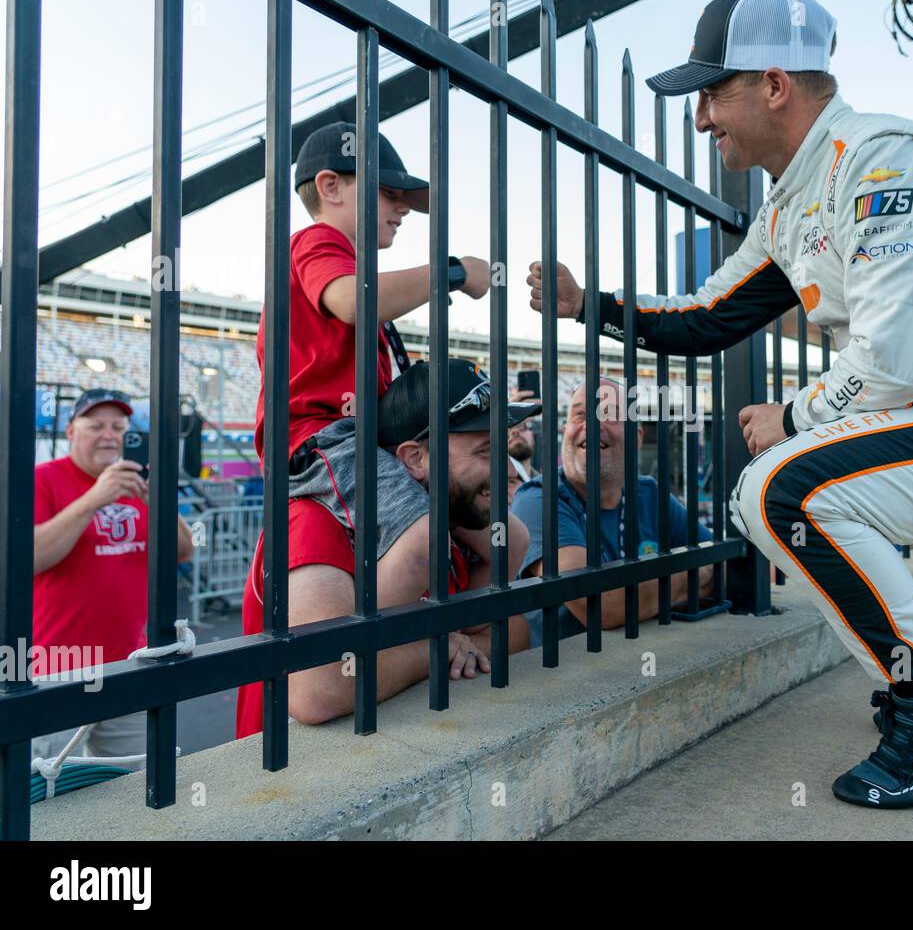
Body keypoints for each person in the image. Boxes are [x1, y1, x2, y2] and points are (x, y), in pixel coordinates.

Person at [526, 0, 913, 809]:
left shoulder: (888, 159)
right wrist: (595, 306)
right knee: (787, 491)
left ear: (773, 83)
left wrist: (792, 415)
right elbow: (711, 313)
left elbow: (896, 364)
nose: (699, 120)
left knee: (780, 487)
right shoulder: (797, 197)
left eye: (710, 94)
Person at [237, 120, 489, 732]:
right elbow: (354, 300)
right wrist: (451, 273)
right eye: (389, 193)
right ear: (330, 185)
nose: (402, 209)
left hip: (351, 439)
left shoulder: (358, 281)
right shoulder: (318, 245)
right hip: (318, 442)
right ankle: (389, 643)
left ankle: (414, 632)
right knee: (428, 531)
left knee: (496, 539)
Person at [31, 389, 194, 763]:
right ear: (71, 431)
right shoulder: (42, 479)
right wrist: (93, 499)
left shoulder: (134, 482)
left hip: (128, 662)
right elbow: (31, 558)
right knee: (41, 790)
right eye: (96, 425)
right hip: (56, 664)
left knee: (134, 785)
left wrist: (160, 501)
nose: (109, 434)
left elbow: (182, 551)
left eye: (118, 426)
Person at [510, 378, 714, 647]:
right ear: (565, 429)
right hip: (575, 678)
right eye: (580, 414)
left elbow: (723, 563)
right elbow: (601, 604)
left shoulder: (649, 494)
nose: (592, 426)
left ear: (636, 437)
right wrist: (694, 576)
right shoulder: (537, 499)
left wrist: (641, 595)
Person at [379, 359, 537, 656]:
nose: (512, 473)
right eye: (486, 451)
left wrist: (455, 647)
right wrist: (441, 651)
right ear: (415, 458)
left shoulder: (458, 530)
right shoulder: (325, 532)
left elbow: (515, 633)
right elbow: (329, 684)